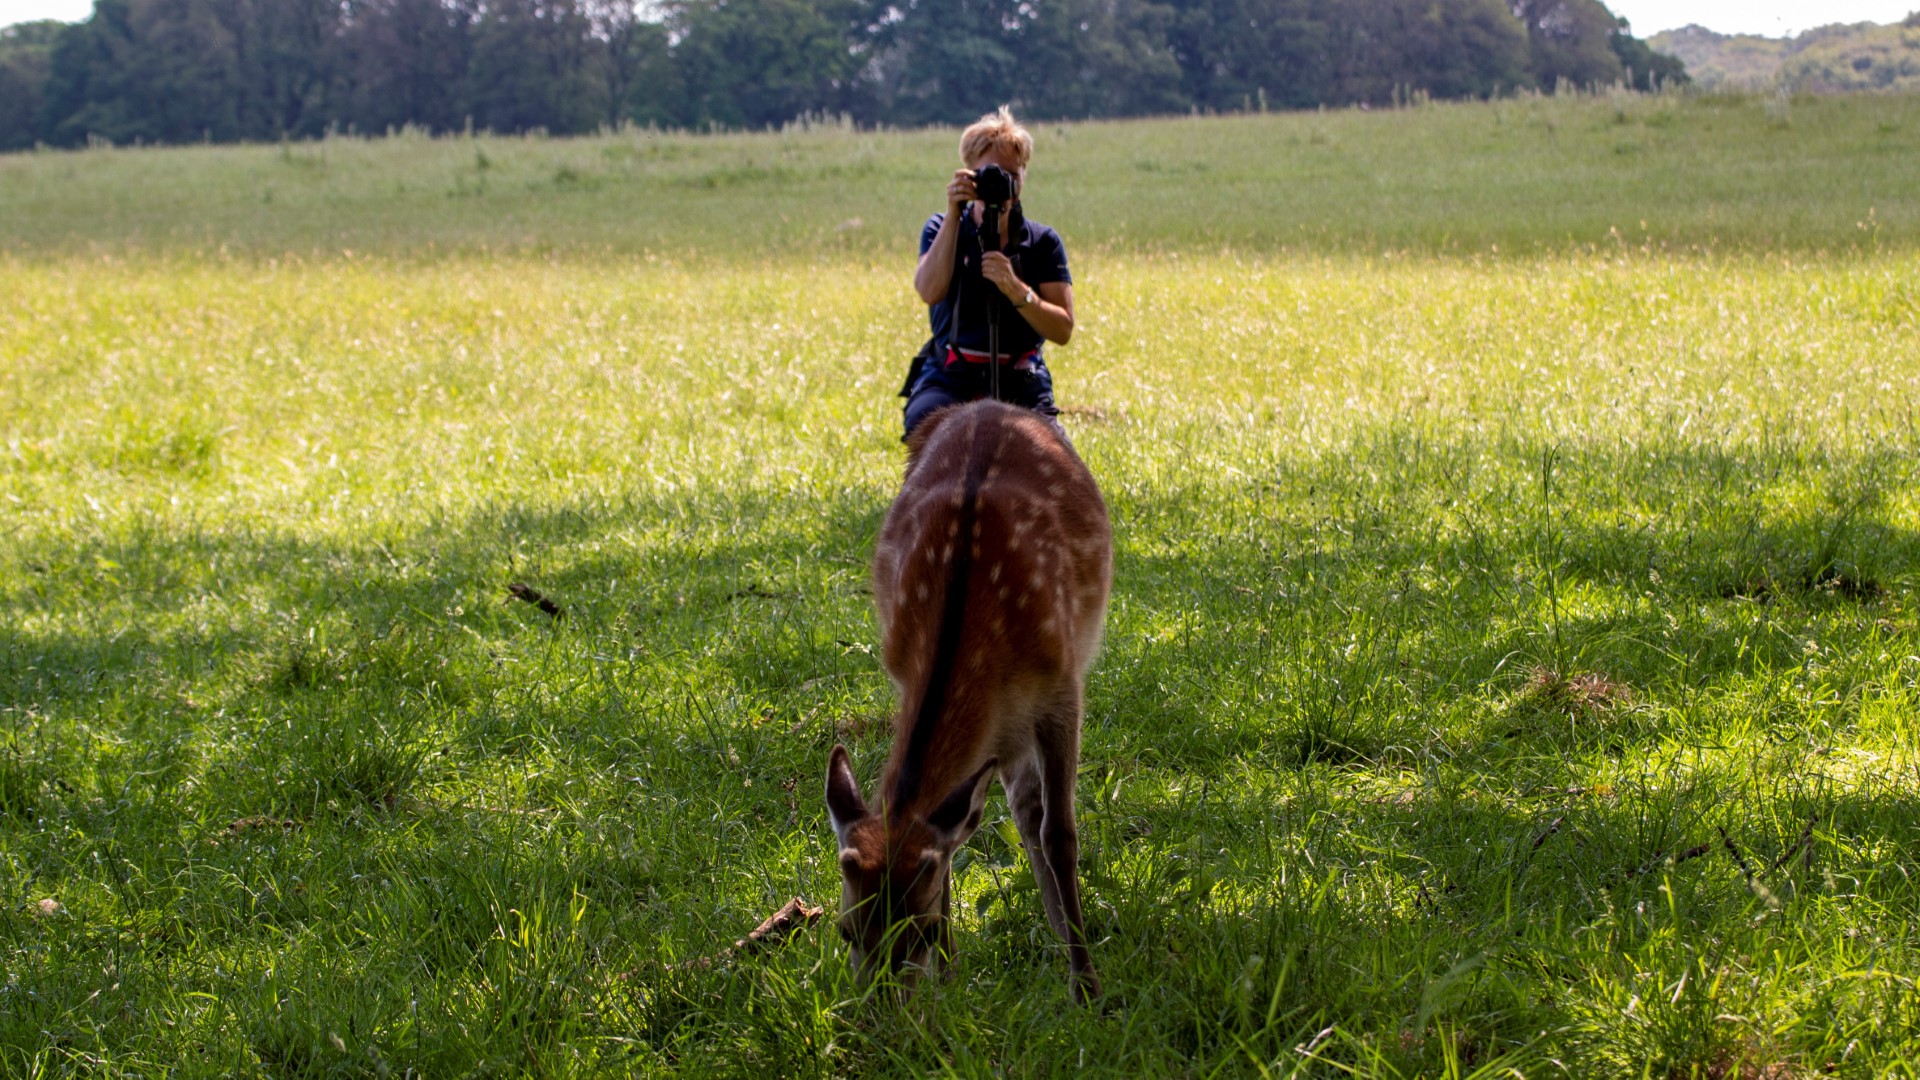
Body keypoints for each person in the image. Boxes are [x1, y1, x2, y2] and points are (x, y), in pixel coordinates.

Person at [902, 106, 1075, 439]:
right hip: (952, 375)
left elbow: (1064, 329)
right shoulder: (941, 228)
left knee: (1053, 450)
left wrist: (1018, 290)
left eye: (1011, 174)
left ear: (1023, 178)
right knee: (926, 427)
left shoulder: (1042, 242)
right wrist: (955, 214)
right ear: (969, 176)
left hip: (1020, 377)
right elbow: (929, 291)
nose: (1000, 184)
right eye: (989, 175)